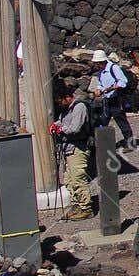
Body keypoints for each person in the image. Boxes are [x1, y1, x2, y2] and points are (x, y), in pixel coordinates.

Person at [51, 88, 94, 221]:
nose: (59, 104)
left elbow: (75, 128)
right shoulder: (66, 109)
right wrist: (55, 125)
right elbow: (62, 121)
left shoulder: (79, 107)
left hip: (78, 148)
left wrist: (60, 129)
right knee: (69, 180)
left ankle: (86, 208)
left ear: (68, 97)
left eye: (60, 101)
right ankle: (77, 205)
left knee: (78, 178)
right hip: (68, 148)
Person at [90, 50, 134, 147]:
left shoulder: (114, 68)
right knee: (102, 121)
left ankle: (130, 143)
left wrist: (113, 87)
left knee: (121, 121)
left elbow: (123, 81)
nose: (96, 65)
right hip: (107, 100)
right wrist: (98, 89)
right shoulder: (101, 72)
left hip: (116, 99)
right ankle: (101, 144)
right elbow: (101, 84)